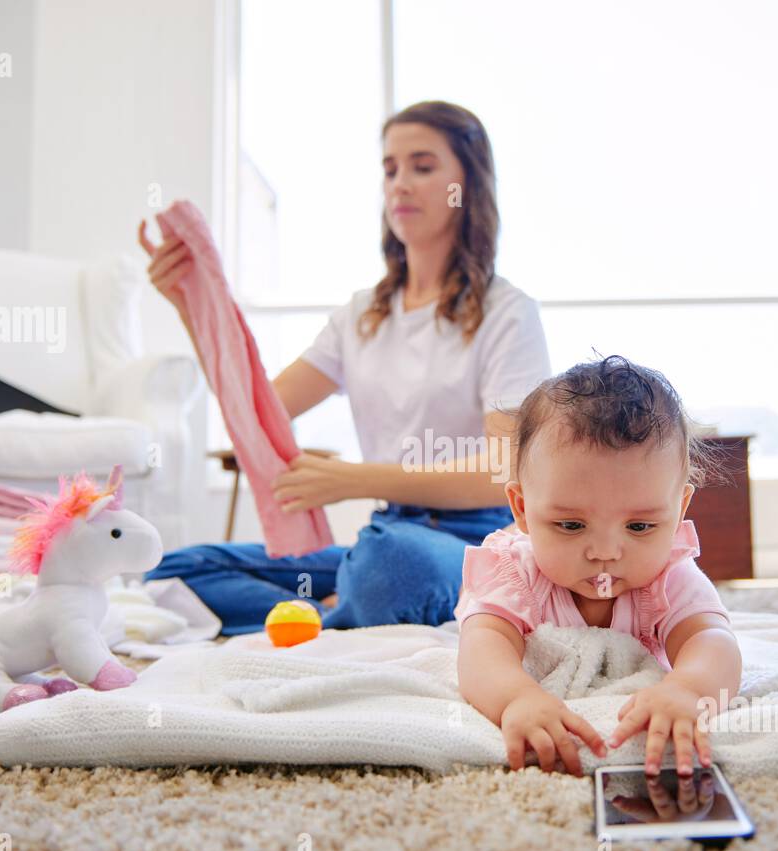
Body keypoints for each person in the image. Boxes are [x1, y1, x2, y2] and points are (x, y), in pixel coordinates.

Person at [136, 100, 551, 635]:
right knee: (178, 569)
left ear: (466, 185)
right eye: (390, 168)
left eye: (422, 166)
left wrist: (350, 481)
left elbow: (503, 471)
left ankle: (341, 605)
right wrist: (190, 304)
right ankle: (335, 610)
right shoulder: (362, 315)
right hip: (387, 534)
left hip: (472, 545)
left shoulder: (507, 312)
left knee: (395, 563)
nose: (400, 183)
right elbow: (257, 408)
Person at [454, 356, 744, 777]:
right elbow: (481, 648)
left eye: (640, 526)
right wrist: (516, 697)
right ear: (521, 508)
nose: (605, 552)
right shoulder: (514, 572)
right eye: (571, 525)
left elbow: (713, 641)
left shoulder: (668, 575)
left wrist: (688, 689)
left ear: (679, 509)